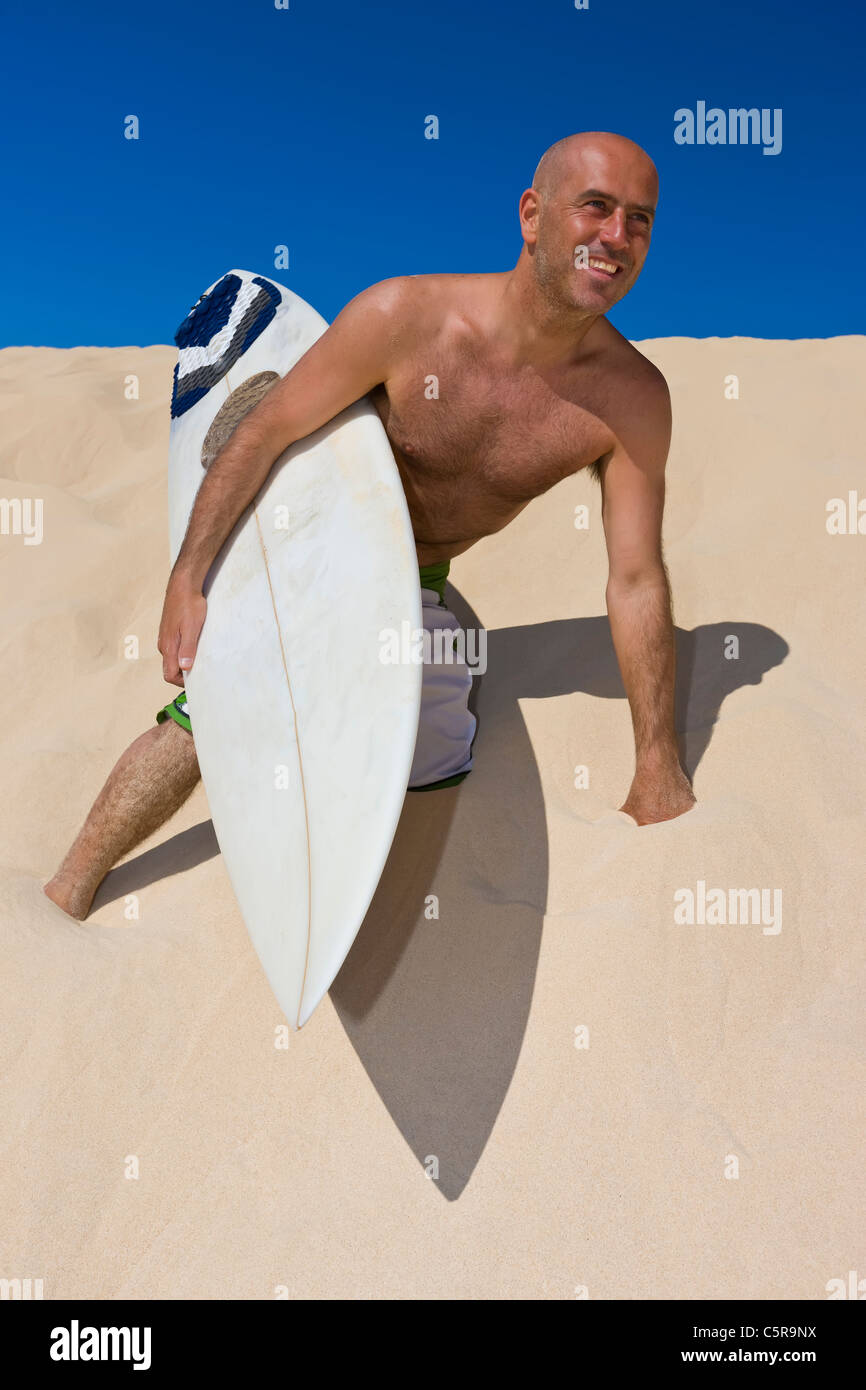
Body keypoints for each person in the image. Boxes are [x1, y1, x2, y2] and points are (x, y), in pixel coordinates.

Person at [44, 130, 695, 921]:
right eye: (595, 207)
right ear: (533, 215)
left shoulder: (631, 400)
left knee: (435, 763)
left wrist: (657, 764)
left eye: (641, 220)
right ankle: (69, 887)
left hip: (415, 578)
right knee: (212, 714)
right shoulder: (406, 317)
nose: (617, 238)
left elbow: (634, 579)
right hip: (312, 534)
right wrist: (189, 576)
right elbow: (269, 430)